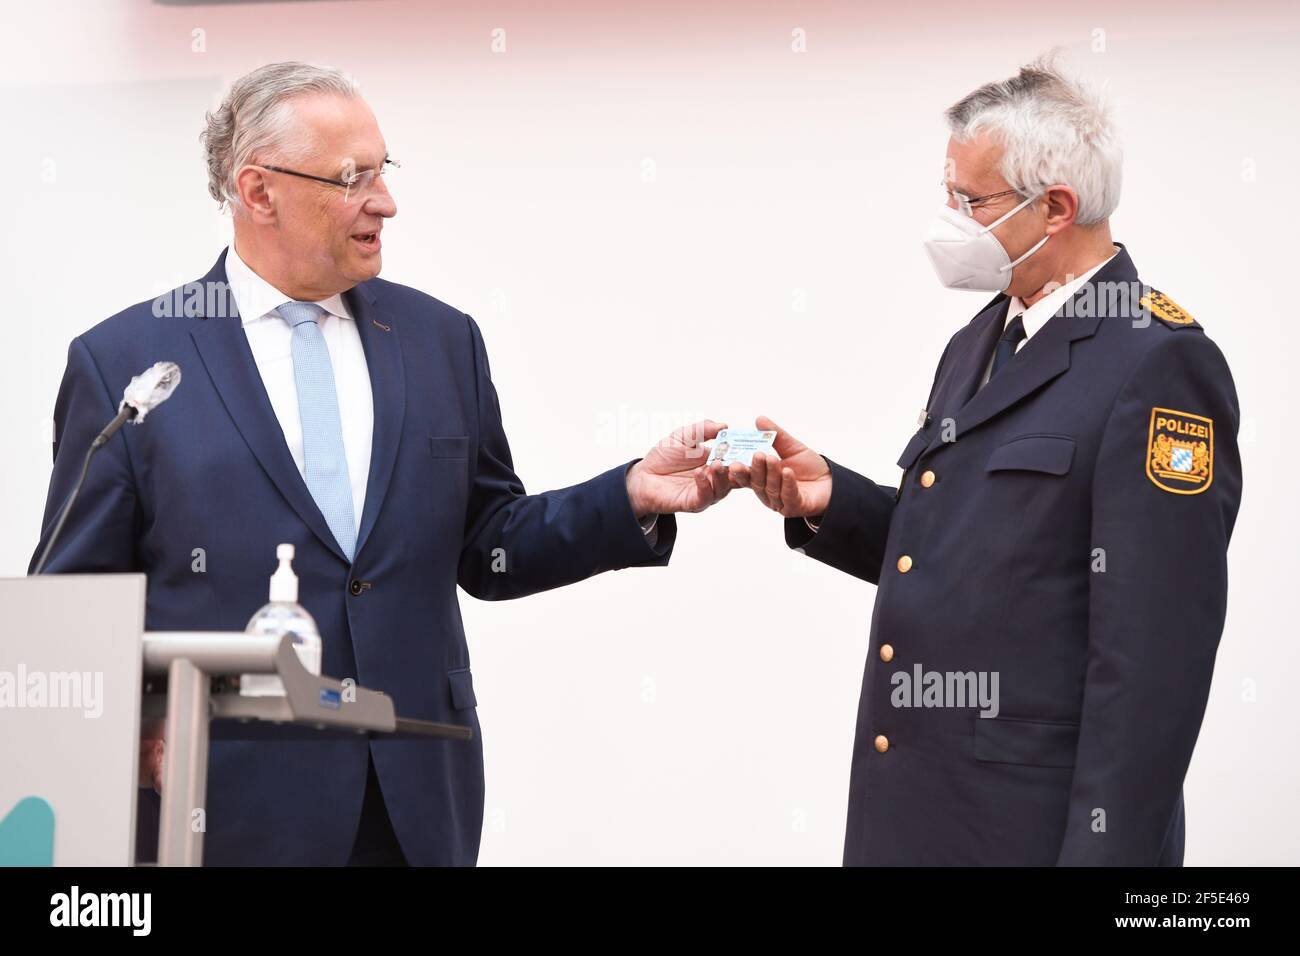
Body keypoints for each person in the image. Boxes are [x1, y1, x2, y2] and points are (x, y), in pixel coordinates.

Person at [30, 62, 732, 866]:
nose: (384, 200)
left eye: (383, 170)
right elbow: (74, 608)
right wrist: (126, 735)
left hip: (412, 806)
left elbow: (489, 543)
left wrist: (632, 495)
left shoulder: (441, 340)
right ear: (258, 193)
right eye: (350, 178)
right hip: (218, 812)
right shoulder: (129, 363)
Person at [729, 58, 1242, 865]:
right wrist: (831, 502)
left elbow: (1152, 667)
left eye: (972, 202)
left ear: (1056, 208)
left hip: (1027, 831)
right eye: (950, 195)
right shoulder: (981, 339)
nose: (952, 220)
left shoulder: (1158, 364)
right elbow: (969, 557)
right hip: (915, 814)